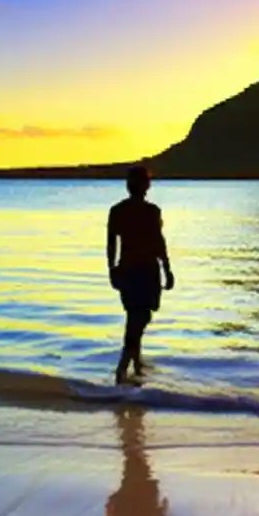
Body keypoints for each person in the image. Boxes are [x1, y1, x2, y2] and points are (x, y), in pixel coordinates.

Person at [107, 165, 175, 385]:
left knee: (135, 316)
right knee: (140, 318)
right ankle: (123, 367)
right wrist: (167, 268)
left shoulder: (118, 210)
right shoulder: (150, 211)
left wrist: (112, 269)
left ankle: (136, 365)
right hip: (144, 270)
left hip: (128, 269)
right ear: (145, 185)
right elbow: (159, 243)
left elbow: (111, 245)